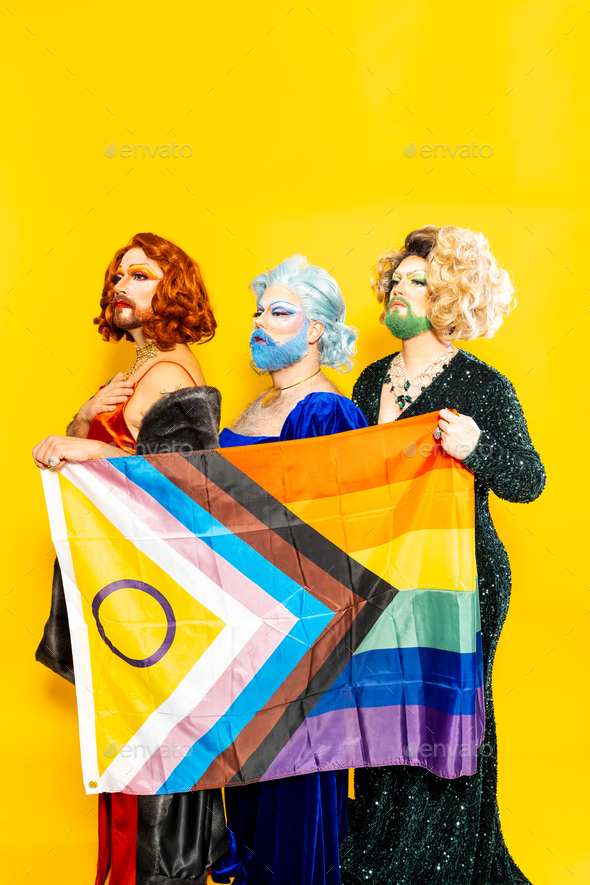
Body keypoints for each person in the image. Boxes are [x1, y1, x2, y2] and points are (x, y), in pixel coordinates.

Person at [339, 225, 546, 885]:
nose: (400, 289)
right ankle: (380, 851)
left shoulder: (483, 385)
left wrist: (477, 445)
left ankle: (443, 857)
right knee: (378, 703)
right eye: (396, 279)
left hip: (463, 576)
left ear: (449, 295)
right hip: (384, 575)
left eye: (418, 281)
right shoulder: (370, 377)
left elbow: (529, 480)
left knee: (449, 710)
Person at [32, 232, 228, 885]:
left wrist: (78, 445)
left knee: (156, 768)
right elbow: (88, 450)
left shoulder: (172, 371)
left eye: (140, 276)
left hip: (157, 607)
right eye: (119, 274)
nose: (121, 284)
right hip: (122, 596)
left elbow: (182, 484)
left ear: (172, 289)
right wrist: (86, 417)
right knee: (126, 757)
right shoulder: (138, 371)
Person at [210, 254, 368, 885]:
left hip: (301, 633)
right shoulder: (256, 406)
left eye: (279, 312)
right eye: (257, 311)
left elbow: (336, 540)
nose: (260, 323)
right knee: (247, 788)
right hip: (246, 622)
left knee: (293, 795)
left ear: (315, 332)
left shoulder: (323, 413)